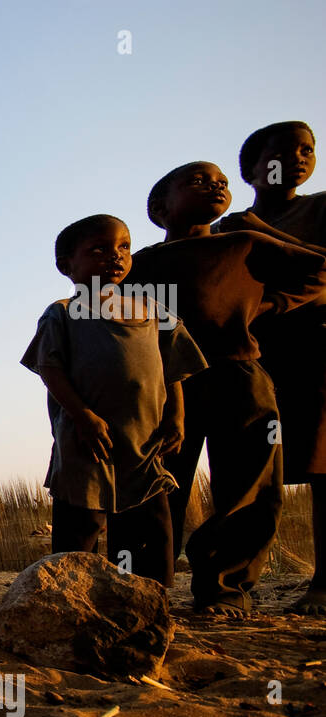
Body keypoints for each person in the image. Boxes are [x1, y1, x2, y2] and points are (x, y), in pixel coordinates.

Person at [127, 161, 326, 617]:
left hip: (239, 372)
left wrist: (268, 305)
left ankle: (225, 588)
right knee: (155, 483)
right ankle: (145, 585)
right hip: (164, 383)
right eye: (197, 181)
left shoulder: (244, 243)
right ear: (160, 208)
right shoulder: (140, 264)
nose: (214, 186)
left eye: (221, 182)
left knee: (249, 485)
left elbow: (319, 269)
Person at [21, 215, 207, 586]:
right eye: (99, 250)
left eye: (124, 247)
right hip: (87, 441)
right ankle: (71, 593)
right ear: (66, 265)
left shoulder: (153, 311)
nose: (115, 256)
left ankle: (149, 595)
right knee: (80, 523)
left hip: (145, 442)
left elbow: (173, 371)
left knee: (151, 522)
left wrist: (177, 419)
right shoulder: (63, 312)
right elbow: (49, 369)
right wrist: (83, 416)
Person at [216, 122, 326, 613]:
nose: (299, 158)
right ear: (251, 168)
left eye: (308, 150)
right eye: (283, 151)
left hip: (315, 347)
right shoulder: (226, 228)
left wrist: (259, 235)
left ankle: (323, 583)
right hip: (251, 355)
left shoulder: (320, 208)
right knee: (247, 469)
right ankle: (231, 583)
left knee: (323, 467)